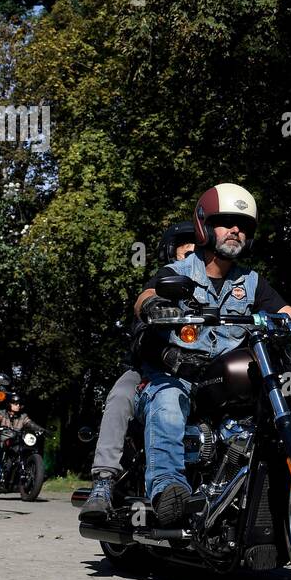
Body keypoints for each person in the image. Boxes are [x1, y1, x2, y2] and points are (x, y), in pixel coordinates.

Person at [132, 183, 291, 526]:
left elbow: (286, 311)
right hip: (177, 376)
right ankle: (168, 489)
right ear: (204, 225)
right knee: (169, 401)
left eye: (243, 225)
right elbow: (144, 297)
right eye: (227, 222)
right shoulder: (179, 272)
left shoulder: (250, 282)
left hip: (222, 383)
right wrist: (155, 305)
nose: (236, 230)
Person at [80, 221, 200, 523]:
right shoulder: (163, 282)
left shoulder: (214, 290)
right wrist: (166, 352)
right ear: (171, 252)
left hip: (199, 375)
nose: (191, 253)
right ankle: (103, 483)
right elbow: (140, 334)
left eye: (196, 248)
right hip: (148, 370)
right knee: (120, 398)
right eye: (184, 248)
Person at [0, 394, 45, 483]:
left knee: (25, 447)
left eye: (19, 404)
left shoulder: (23, 416)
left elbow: (30, 423)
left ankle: (22, 473)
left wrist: (41, 429)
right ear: (9, 404)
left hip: (16, 440)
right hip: (2, 439)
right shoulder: (2, 413)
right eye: (15, 403)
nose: (18, 405)